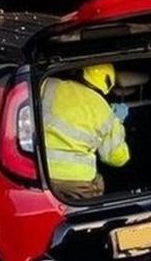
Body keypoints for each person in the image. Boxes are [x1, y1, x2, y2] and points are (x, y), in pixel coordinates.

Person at [42, 63, 130, 199]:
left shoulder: (49, 85)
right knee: (97, 184)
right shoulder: (106, 113)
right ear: (107, 84)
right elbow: (116, 158)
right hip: (77, 182)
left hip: (37, 172)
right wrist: (118, 123)